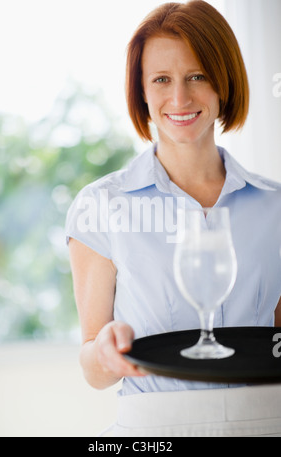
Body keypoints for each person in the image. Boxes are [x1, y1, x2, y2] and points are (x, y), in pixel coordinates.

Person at [66, 1, 281, 436]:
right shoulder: (101, 207)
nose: (179, 98)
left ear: (223, 82)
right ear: (141, 91)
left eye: (197, 76)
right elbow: (92, 365)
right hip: (153, 432)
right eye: (161, 79)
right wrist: (106, 355)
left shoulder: (275, 207)